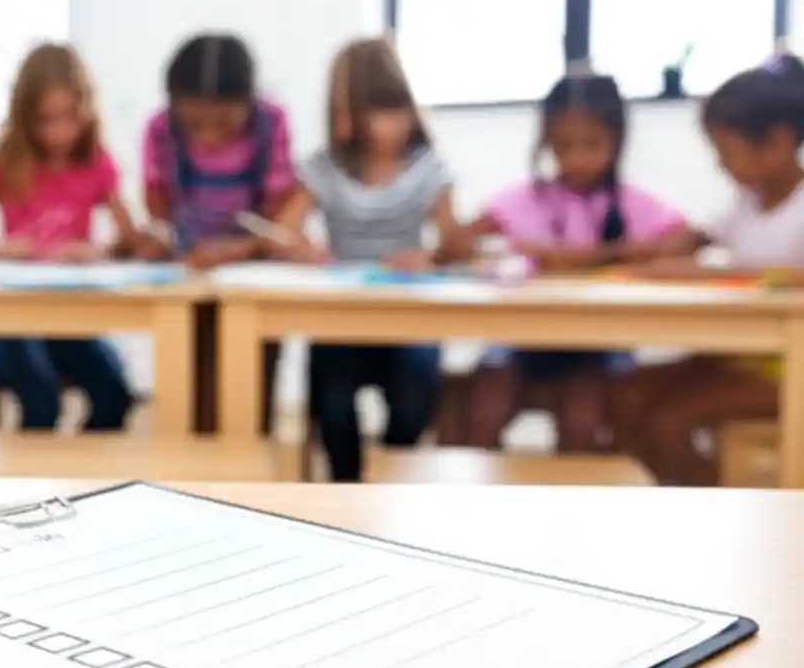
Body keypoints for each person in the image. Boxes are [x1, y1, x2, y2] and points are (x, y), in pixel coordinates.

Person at [270, 38, 467, 482]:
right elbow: (283, 232)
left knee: (416, 392)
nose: (391, 126)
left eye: (399, 110)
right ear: (347, 118)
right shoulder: (324, 167)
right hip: (342, 318)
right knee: (334, 400)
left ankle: (393, 477)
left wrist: (432, 255)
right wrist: (303, 250)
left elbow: (454, 242)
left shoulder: (429, 167)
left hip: (408, 318)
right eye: (378, 113)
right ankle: (346, 486)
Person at [463, 73, 684, 454]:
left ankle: (571, 507)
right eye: (564, 146)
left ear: (616, 142)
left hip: (599, 342)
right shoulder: (525, 199)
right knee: (484, 409)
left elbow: (688, 238)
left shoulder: (633, 204)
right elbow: (459, 240)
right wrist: (497, 249)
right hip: (522, 338)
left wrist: (593, 257)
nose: (577, 158)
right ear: (547, 142)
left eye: (591, 145)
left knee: (583, 421)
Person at [612, 55, 804, 485]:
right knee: (625, 394)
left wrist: (705, 275)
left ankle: (720, 510)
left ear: (778, 142)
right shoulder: (748, 201)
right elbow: (695, 237)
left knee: (667, 423)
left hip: (791, 365)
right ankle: (662, 497)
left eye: (725, 151)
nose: (720, 165)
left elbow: (786, 278)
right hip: (738, 354)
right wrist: (645, 253)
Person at [0, 44, 148, 431]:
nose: (58, 132)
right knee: (40, 396)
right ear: (25, 117)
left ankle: (82, 481)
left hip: (68, 322)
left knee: (116, 395)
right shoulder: (6, 162)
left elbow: (131, 243)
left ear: (86, 110)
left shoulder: (96, 163)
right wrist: (3, 252)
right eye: (46, 120)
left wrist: (95, 251)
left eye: (69, 118)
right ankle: (29, 483)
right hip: (8, 325)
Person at [143, 33, 296, 433]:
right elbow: (157, 198)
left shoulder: (272, 123)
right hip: (187, 268)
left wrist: (237, 249)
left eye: (224, 122)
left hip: (256, 271)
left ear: (248, 102)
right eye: (196, 123)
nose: (209, 134)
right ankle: (190, 478)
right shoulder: (161, 129)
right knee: (191, 389)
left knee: (250, 393)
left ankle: (250, 476)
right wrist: (159, 236)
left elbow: (280, 212)